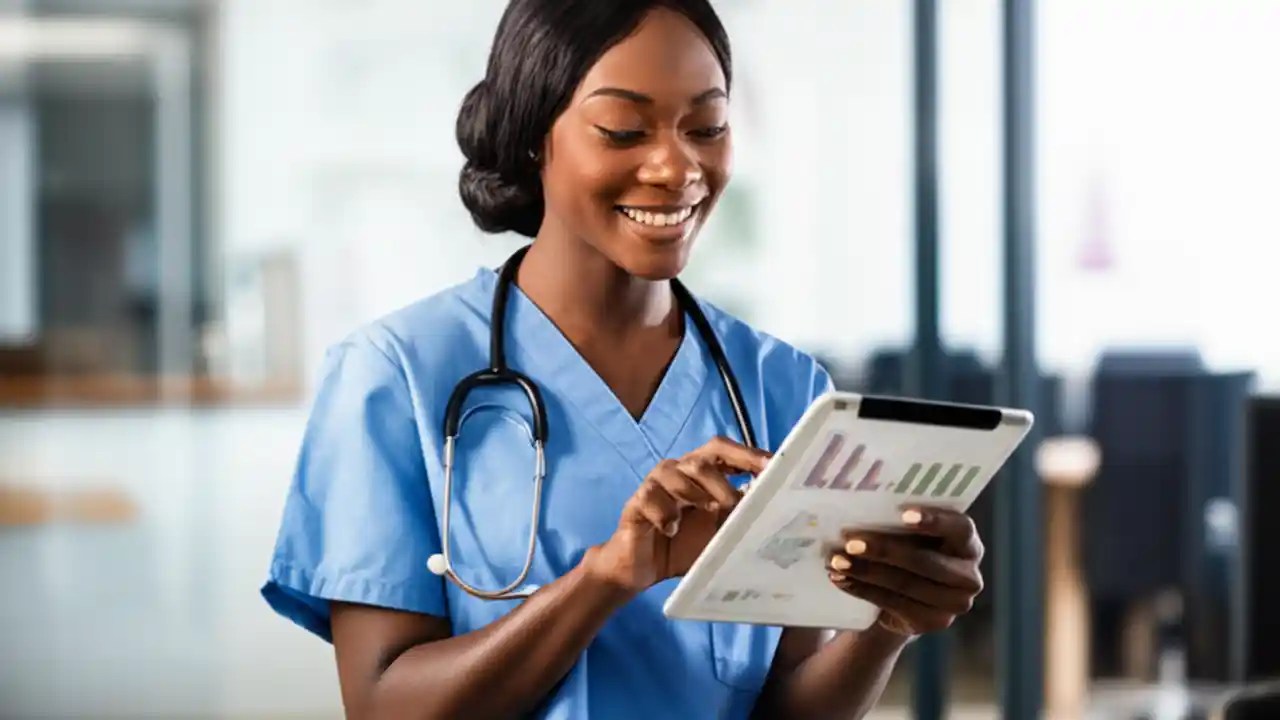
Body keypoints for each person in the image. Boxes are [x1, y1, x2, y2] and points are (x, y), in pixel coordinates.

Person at [261, 1, 987, 718]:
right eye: (623, 130)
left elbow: (788, 709)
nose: (677, 166)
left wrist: (887, 625)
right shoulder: (394, 376)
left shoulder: (782, 388)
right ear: (532, 137)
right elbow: (384, 707)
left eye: (707, 127)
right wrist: (605, 578)